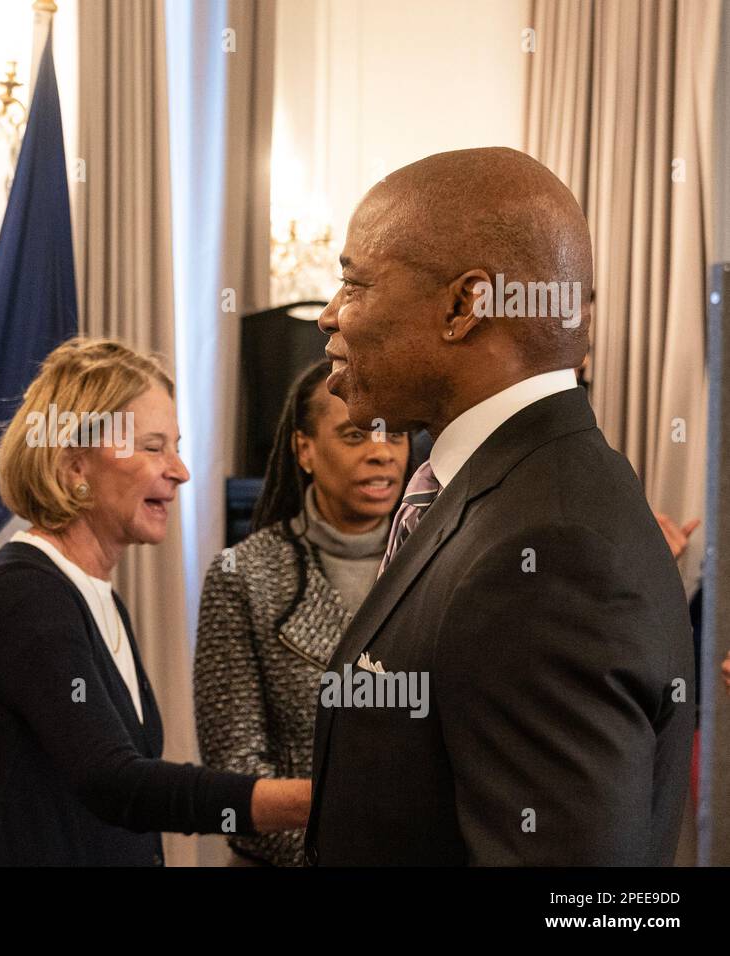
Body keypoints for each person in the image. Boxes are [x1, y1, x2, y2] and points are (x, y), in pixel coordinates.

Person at [305, 146, 695, 866]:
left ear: (465, 305)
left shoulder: (552, 551)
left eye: (353, 285)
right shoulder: (510, 489)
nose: (330, 317)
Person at [0, 338, 310, 866]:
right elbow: (117, 783)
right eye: (154, 447)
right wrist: (317, 802)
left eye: (176, 446)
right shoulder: (18, 595)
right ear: (73, 464)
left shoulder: (92, 594)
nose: (180, 471)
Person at [194, 359, 408, 865]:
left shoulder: (443, 560)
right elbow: (238, 773)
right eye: (355, 437)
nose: (381, 454)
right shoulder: (241, 575)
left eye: (394, 436)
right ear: (304, 449)